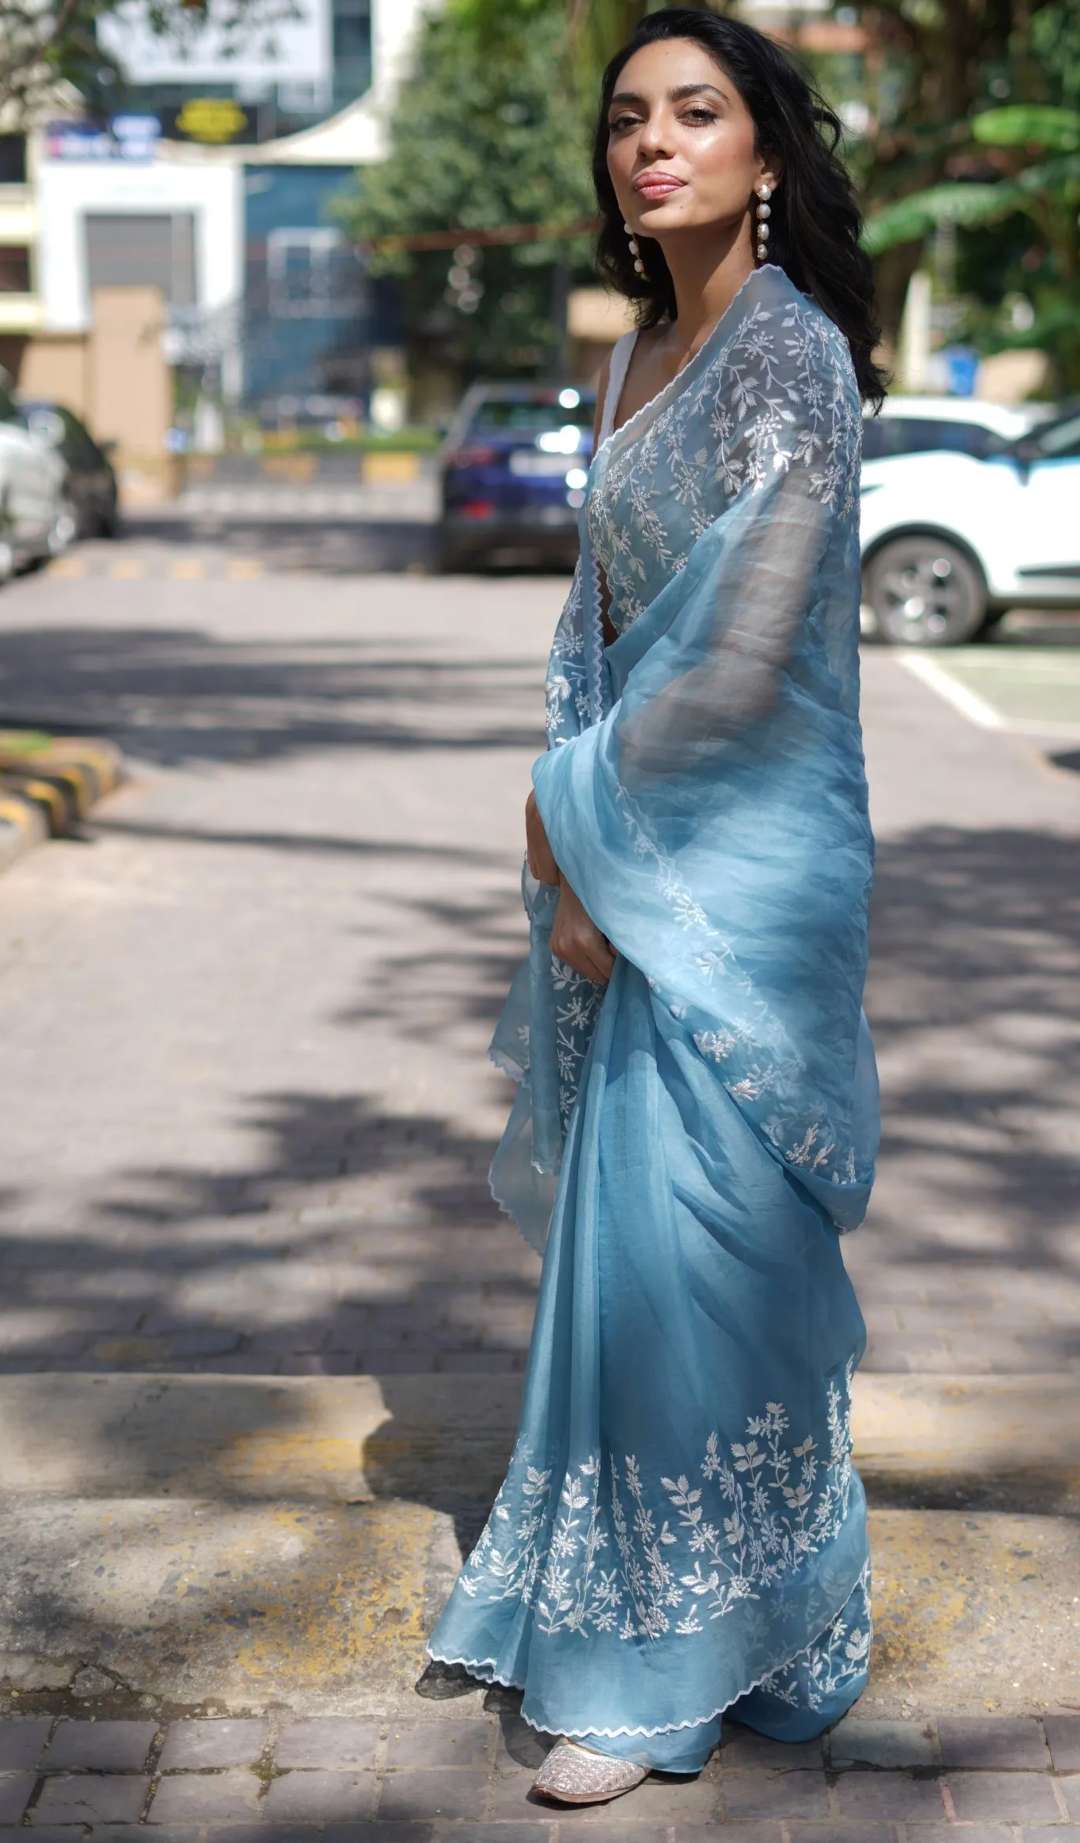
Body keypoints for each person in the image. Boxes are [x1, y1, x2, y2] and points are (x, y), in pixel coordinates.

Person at [417, 4, 889, 1808]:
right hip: (625, 840)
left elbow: (746, 656)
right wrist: (568, 836)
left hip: (747, 869)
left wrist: (580, 832)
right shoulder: (632, 357)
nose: (655, 144)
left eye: (698, 113)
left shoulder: (793, 359)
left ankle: (685, 1665)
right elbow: (601, 632)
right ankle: (747, 1624)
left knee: (722, 1253)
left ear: (765, 151)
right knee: (640, 1260)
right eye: (630, 120)